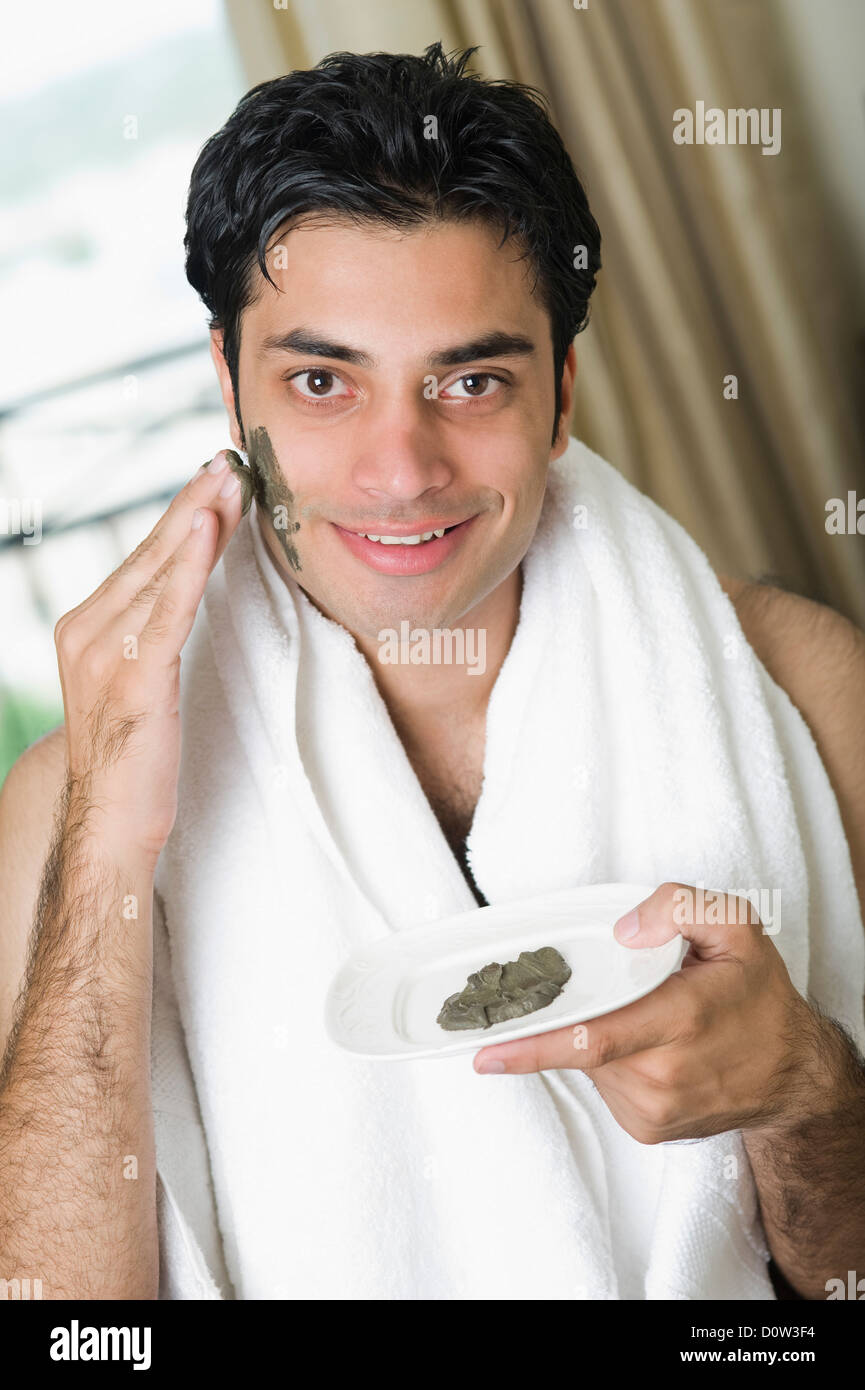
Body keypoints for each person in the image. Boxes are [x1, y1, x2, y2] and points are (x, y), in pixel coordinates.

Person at [1, 42, 864, 1302]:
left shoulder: (809, 692)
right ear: (225, 384)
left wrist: (806, 1095)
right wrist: (109, 851)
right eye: (320, 381)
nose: (399, 470)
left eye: (469, 380)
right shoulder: (68, 805)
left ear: (561, 394)